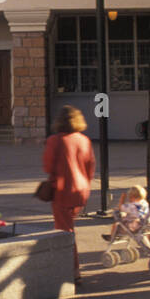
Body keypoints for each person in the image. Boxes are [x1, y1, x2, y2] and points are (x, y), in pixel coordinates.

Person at [42, 105, 95, 287]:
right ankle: (72, 269)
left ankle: (73, 271)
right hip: (81, 190)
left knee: (64, 232)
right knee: (69, 228)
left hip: (62, 190)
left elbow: (48, 167)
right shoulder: (84, 140)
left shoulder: (54, 140)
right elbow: (90, 167)